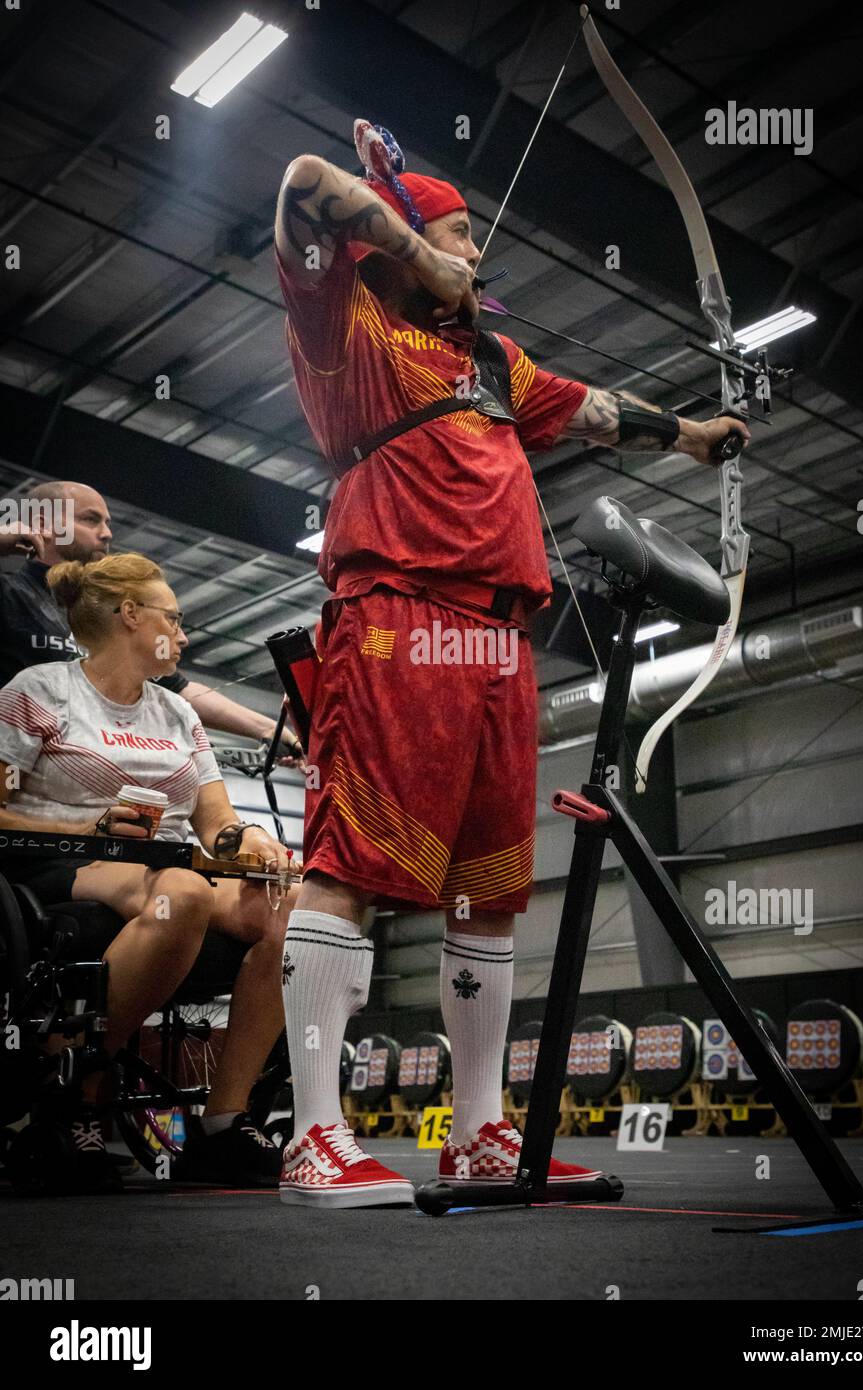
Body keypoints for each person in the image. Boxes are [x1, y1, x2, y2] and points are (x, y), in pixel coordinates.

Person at [273, 120, 750, 1207]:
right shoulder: (342, 327)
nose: (471, 258)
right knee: (346, 866)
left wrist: (691, 435)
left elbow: (589, 410)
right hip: (394, 615)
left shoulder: (490, 360)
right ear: (389, 249)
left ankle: (481, 1131)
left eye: (470, 243)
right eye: (455, 238)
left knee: (491, 894)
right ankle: (310, 1137)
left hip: (498, 644)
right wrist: (414, 243)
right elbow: (307, 183)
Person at [0, 552, 297, 1191]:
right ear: (130, 616)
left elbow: (214, 822)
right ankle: (71, 1096)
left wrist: (251, 840)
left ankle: (224, 1122)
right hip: (56, 865)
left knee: (287, 907)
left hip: (161, 865)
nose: (184, 636)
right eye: (175, 619)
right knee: (183, 893)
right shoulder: (38, 690)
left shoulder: (179, 714)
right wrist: (92, 829)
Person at [0, 479, 303, 762]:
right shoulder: (10, 596)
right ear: (43, 524)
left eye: (107, 523)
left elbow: (179, 689)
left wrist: (271, 731)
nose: (106, 533)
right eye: (91, 520)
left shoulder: (112, 614)